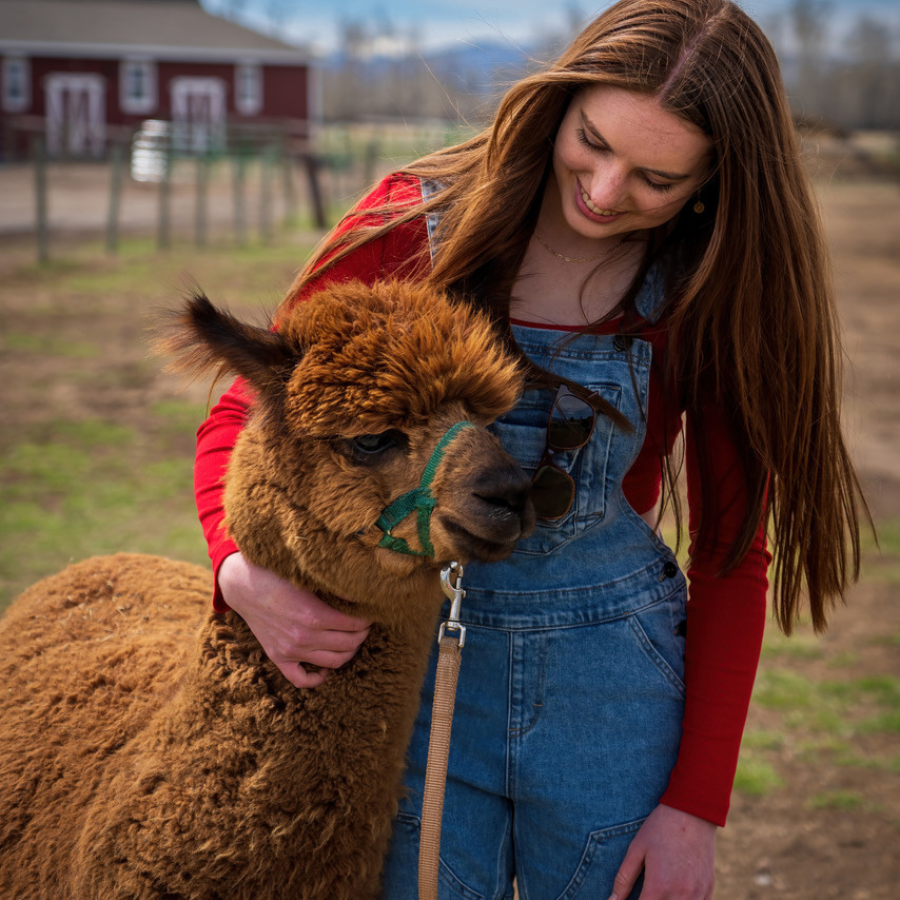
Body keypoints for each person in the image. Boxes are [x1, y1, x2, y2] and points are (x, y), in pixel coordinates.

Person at [194, 1, 868, 897]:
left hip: (613, 706)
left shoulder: (708, 291)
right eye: (591, 140)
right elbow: (250, 417)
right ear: (560, 101)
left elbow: (732, 555)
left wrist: (694, 809)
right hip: (415, 682)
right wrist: (238, 568)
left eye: (656, 179)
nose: (603, 189)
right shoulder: (413, 225)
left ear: (711, 182)